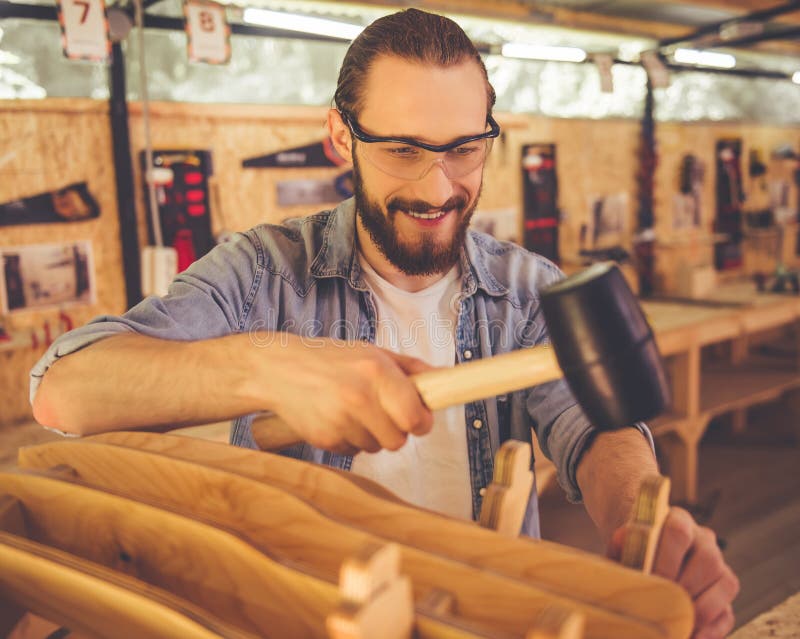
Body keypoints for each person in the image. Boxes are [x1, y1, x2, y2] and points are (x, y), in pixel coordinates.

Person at [30, 9, 738, 637]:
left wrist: (639, 520)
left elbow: (596, 425)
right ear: (341, 136)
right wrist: (269, 366)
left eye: (464, 149)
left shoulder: (529, 291)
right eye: (404, 150)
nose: (438, 188)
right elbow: (65, 388)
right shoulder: (263, 273)